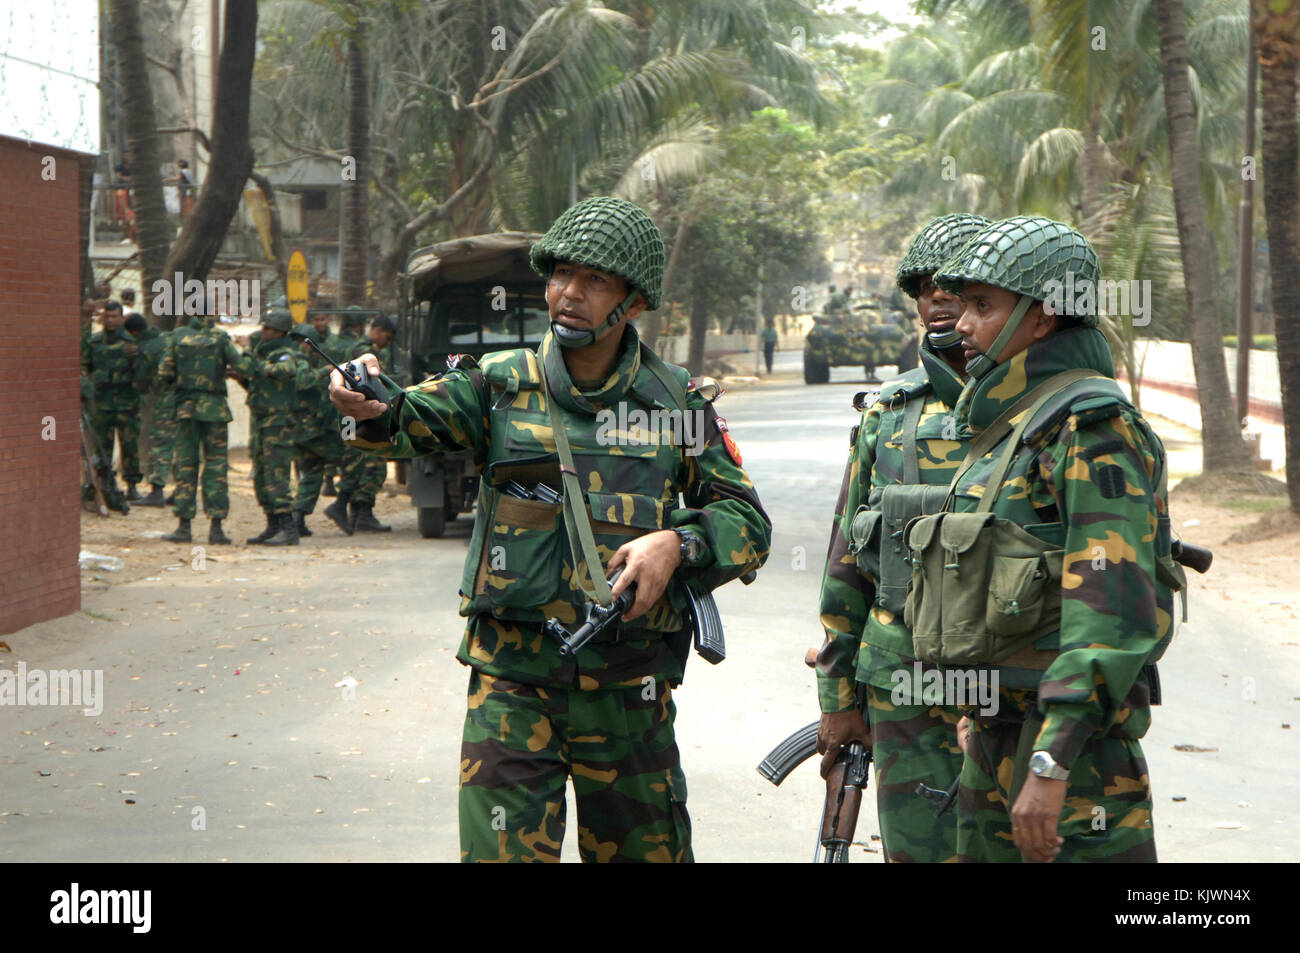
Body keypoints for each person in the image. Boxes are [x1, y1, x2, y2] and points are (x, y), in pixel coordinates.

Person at [329, 196, 771, 862]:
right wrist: (368, 404)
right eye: (561, 274)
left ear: (635, 303)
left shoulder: (675, 402)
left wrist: (677, 543)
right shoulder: (498, 386)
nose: (569, 292)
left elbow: (748, 522)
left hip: (629, 694)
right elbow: (404, 415)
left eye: (595, 280)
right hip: (512, 689)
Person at [914, 216, 1180, 862]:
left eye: (983, 305)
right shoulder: (1012, 424)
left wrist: (1052, 760)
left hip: (1074, 762)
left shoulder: (1089, 427)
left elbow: (1111, 615)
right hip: (998, 741)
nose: (963, 324)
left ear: (1043, 318)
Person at [815, 213, 988, 863]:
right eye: (923, 287)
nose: (937, 299)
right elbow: (846, 561)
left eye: (954, 286)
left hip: (1008, 689)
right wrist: (837, 698)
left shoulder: (1040, 410)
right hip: (903, 683)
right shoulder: (890, 413)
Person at [157, 310, 251, 543]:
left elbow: (164, 372)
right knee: (216, 468)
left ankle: (184, 527)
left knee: (186, 466)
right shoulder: (220, 338)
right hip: (215, 411)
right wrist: (247, 348)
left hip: (186, 410)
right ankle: (216, 528)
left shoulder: (177, 336)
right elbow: (245, 368)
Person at [245, 308, 310, 546]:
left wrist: (260, 367)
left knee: (276, 475)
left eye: (268, 328)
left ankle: (288, 528)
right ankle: (272, 524)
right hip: (262, 421)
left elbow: (287, 370)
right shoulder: (262, 352)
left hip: (278, 423)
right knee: (262, 475)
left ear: (280, 331)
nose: (263, 332)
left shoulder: (284, 353)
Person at [332, 314, 400, 532]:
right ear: (378, 330)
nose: (387, 342)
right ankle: (352, 509)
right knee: (371, 463)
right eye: (387, 337)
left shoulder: (359, 347)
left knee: (359, 460)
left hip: (356, 415)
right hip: (361, 415)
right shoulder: (365, 351)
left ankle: (355, 511)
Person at [287, 323, 345, 537]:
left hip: (298, 429)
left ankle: (298, 517)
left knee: (312, 470)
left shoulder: (285, 358)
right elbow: (303, 382)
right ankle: (345, 504)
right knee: (352, 455)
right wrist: (325, 370)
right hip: (307, 430)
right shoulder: (300, 361)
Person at [82, 300, 143, 501]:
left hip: (127, 402)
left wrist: (138, 357)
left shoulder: (132, 341)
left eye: (115, 316)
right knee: (102, 446)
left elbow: (145, 371)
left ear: (122, 318)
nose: (111, 321)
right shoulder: (94, 342)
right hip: (102, 403)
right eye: (107, 317)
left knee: (130, 446)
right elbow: (85, 367)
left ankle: (132, 486)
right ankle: (105, 485)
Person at [125, 314, 177, 506]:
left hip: (167, 398)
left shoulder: (145, 349)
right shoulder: (167, 337)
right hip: (188, 397)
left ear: (134, 332)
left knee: (160, 443)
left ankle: (156, 491)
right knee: (183, 445)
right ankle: (182, 490)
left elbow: (141, 383)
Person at [320, 308, 367, 502]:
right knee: (352, 447)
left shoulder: (330, 343)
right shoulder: (358, 345)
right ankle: (347, 495)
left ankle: (329, 479)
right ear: (358, 324)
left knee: (335, 442)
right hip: (350, 404)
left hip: (330, 400)